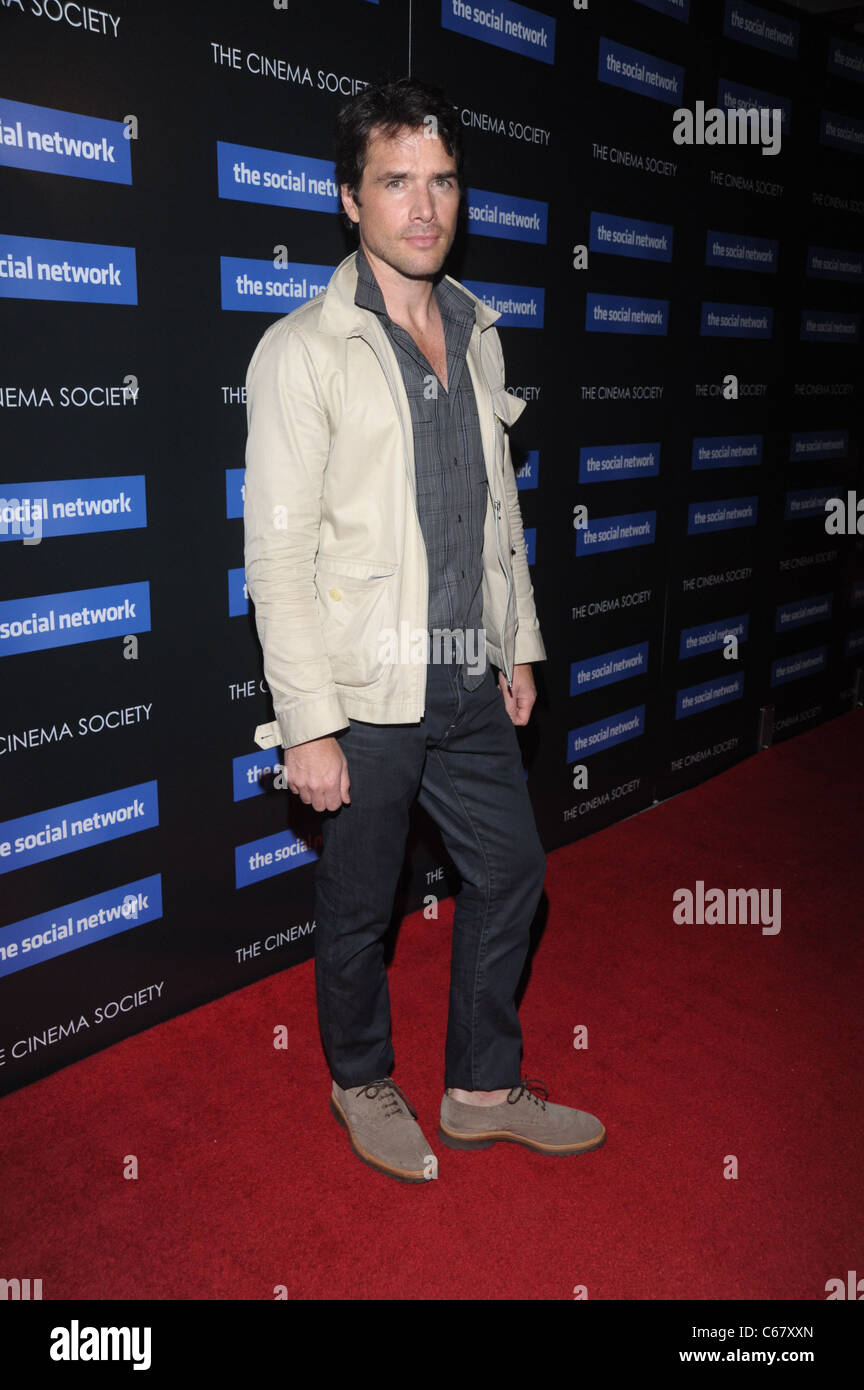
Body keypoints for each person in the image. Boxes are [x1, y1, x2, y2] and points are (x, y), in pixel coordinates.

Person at [244, 76, 605, 1183]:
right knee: (363, 908)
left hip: (467, 676)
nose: (423, 205)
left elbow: (499, 513)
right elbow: (277, 556)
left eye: (442, 180)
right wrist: (308, 723)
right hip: (364, 692)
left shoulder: (477, 331)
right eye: (396, 181)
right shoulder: (302, 351)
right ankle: (362, 1078)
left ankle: (480, 1087)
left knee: (513, 873)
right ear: (350, 197)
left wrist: (521, 641)